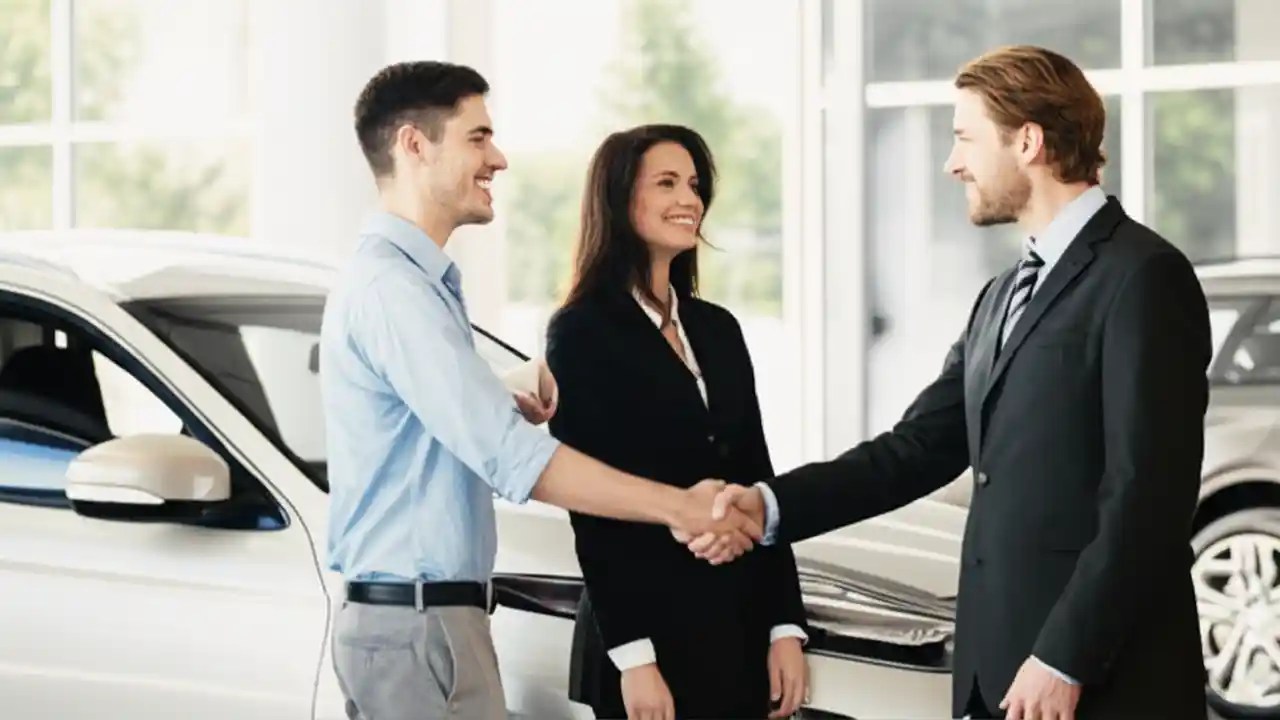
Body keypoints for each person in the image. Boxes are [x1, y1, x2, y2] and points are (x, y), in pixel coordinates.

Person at [701, 45, 1211, 720]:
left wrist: (1066, 656)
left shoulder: (1143, 276)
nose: (953, 162)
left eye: (965, 137)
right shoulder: (1000, 296)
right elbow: (913, 450)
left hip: (1101, 680)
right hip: (997, 670)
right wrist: (770, 507)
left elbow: (1148, 497)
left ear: (1027, 141)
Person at [320, 61, 762, 720]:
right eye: (477, 137)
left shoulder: (412, 287)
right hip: (416, 628)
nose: (496, 158)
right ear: (415, 145)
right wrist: (682, 508)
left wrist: (498, 390)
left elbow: (420, 426)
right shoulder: (394, 292)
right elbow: (514, 460)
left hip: (432, 624)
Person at [545, 124, 810, 720]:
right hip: (646, 644)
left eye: (694, 184)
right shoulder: (581, 332)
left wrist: (784, 627)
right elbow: (591, 504)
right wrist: (635, 660)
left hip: (736, 631)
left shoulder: (718, 329)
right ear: (619, 199)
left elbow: (757, 474)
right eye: (666, 183)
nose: (689, 199)